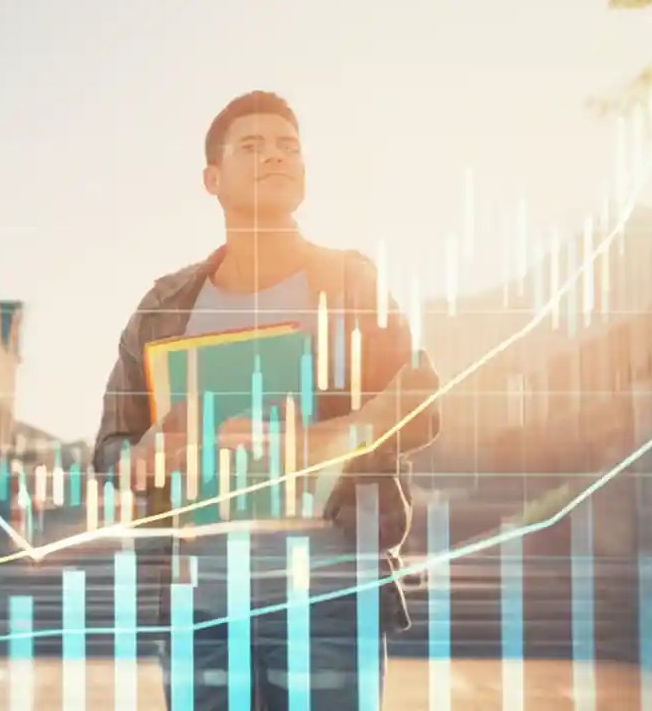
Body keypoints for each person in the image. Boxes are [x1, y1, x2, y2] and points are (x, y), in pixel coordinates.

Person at [92, 91, 441, 710]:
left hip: (330, 599)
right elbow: (111, 456)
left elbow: (420, 401)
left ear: (304, 174)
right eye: (252, 146)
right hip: (200, 610)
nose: (275, 157)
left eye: (288, 147)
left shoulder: (349, 281)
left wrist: (337, 435)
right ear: (213, 178)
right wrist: (149, 451)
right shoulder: (164, 307)